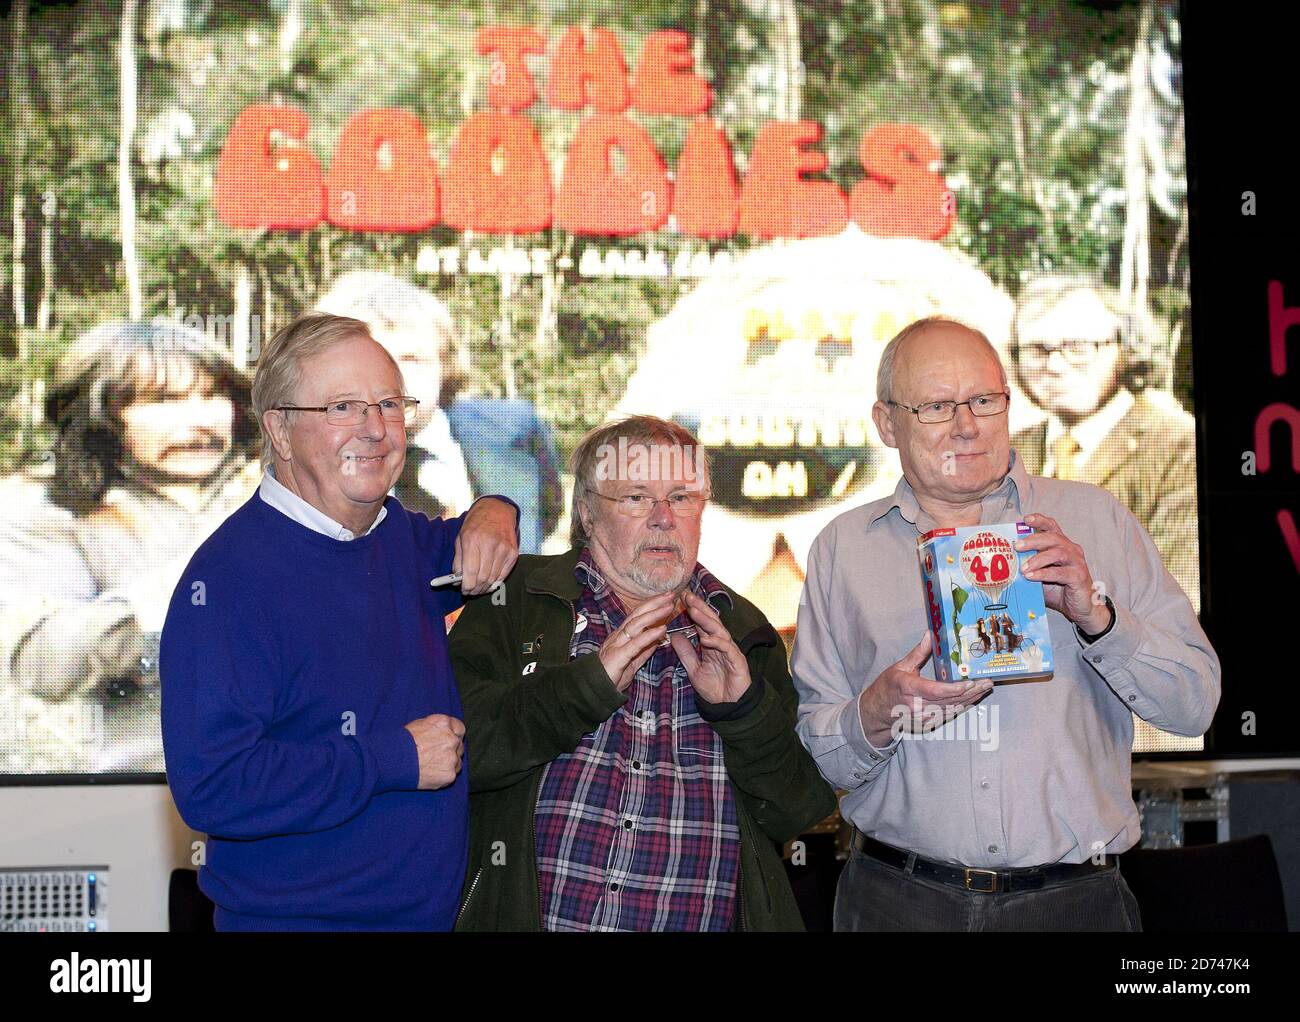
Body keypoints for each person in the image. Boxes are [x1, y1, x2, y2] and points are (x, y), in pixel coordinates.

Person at [792, 316, 1220, 932]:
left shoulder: (1098, 522)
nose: (967, 427)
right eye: (937, 406)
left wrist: (1098, 619)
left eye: (985, 401)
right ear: (887, 424)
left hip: (1073, 903)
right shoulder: (842, 549)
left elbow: (1195, 705)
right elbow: (821, 757)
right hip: (898, 900)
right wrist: (877, 713)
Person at [159, 312, 519, 930]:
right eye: (344, 407)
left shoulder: (396, 537)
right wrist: (392, 758)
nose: (376, 429)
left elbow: (473, 540)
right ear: (280, 430)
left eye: (388, 404)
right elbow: (215, 786)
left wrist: (495, 509)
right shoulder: (227, 582)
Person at [449, 415, 836, 931]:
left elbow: (795, 811)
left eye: (681, 497)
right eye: (635, 497)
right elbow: (454, 753)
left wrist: (743, 715)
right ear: (587, 513)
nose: (663, 518)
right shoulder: (517, 598)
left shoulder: (745, 629)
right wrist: (585, 687)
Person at [0, 319, 261, 773]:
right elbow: (44, 664)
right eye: (164, 400)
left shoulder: (279, 490)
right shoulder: (47, 509)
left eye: (212, 396)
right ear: (99, 414)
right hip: (145, 783)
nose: (200, 418)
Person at [315, 270, 561, 552]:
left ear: (444, 363)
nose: (393, 379)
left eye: (413, 359)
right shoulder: (309, 463)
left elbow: (544, 516)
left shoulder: (514, 434)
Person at [1008, 275, 1199, 608]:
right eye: (1038, 350)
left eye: (1079, 348)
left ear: (1126, 349)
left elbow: (1179, 599)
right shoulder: (1007, 453)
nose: (1054, 365)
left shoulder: (1181, 446)